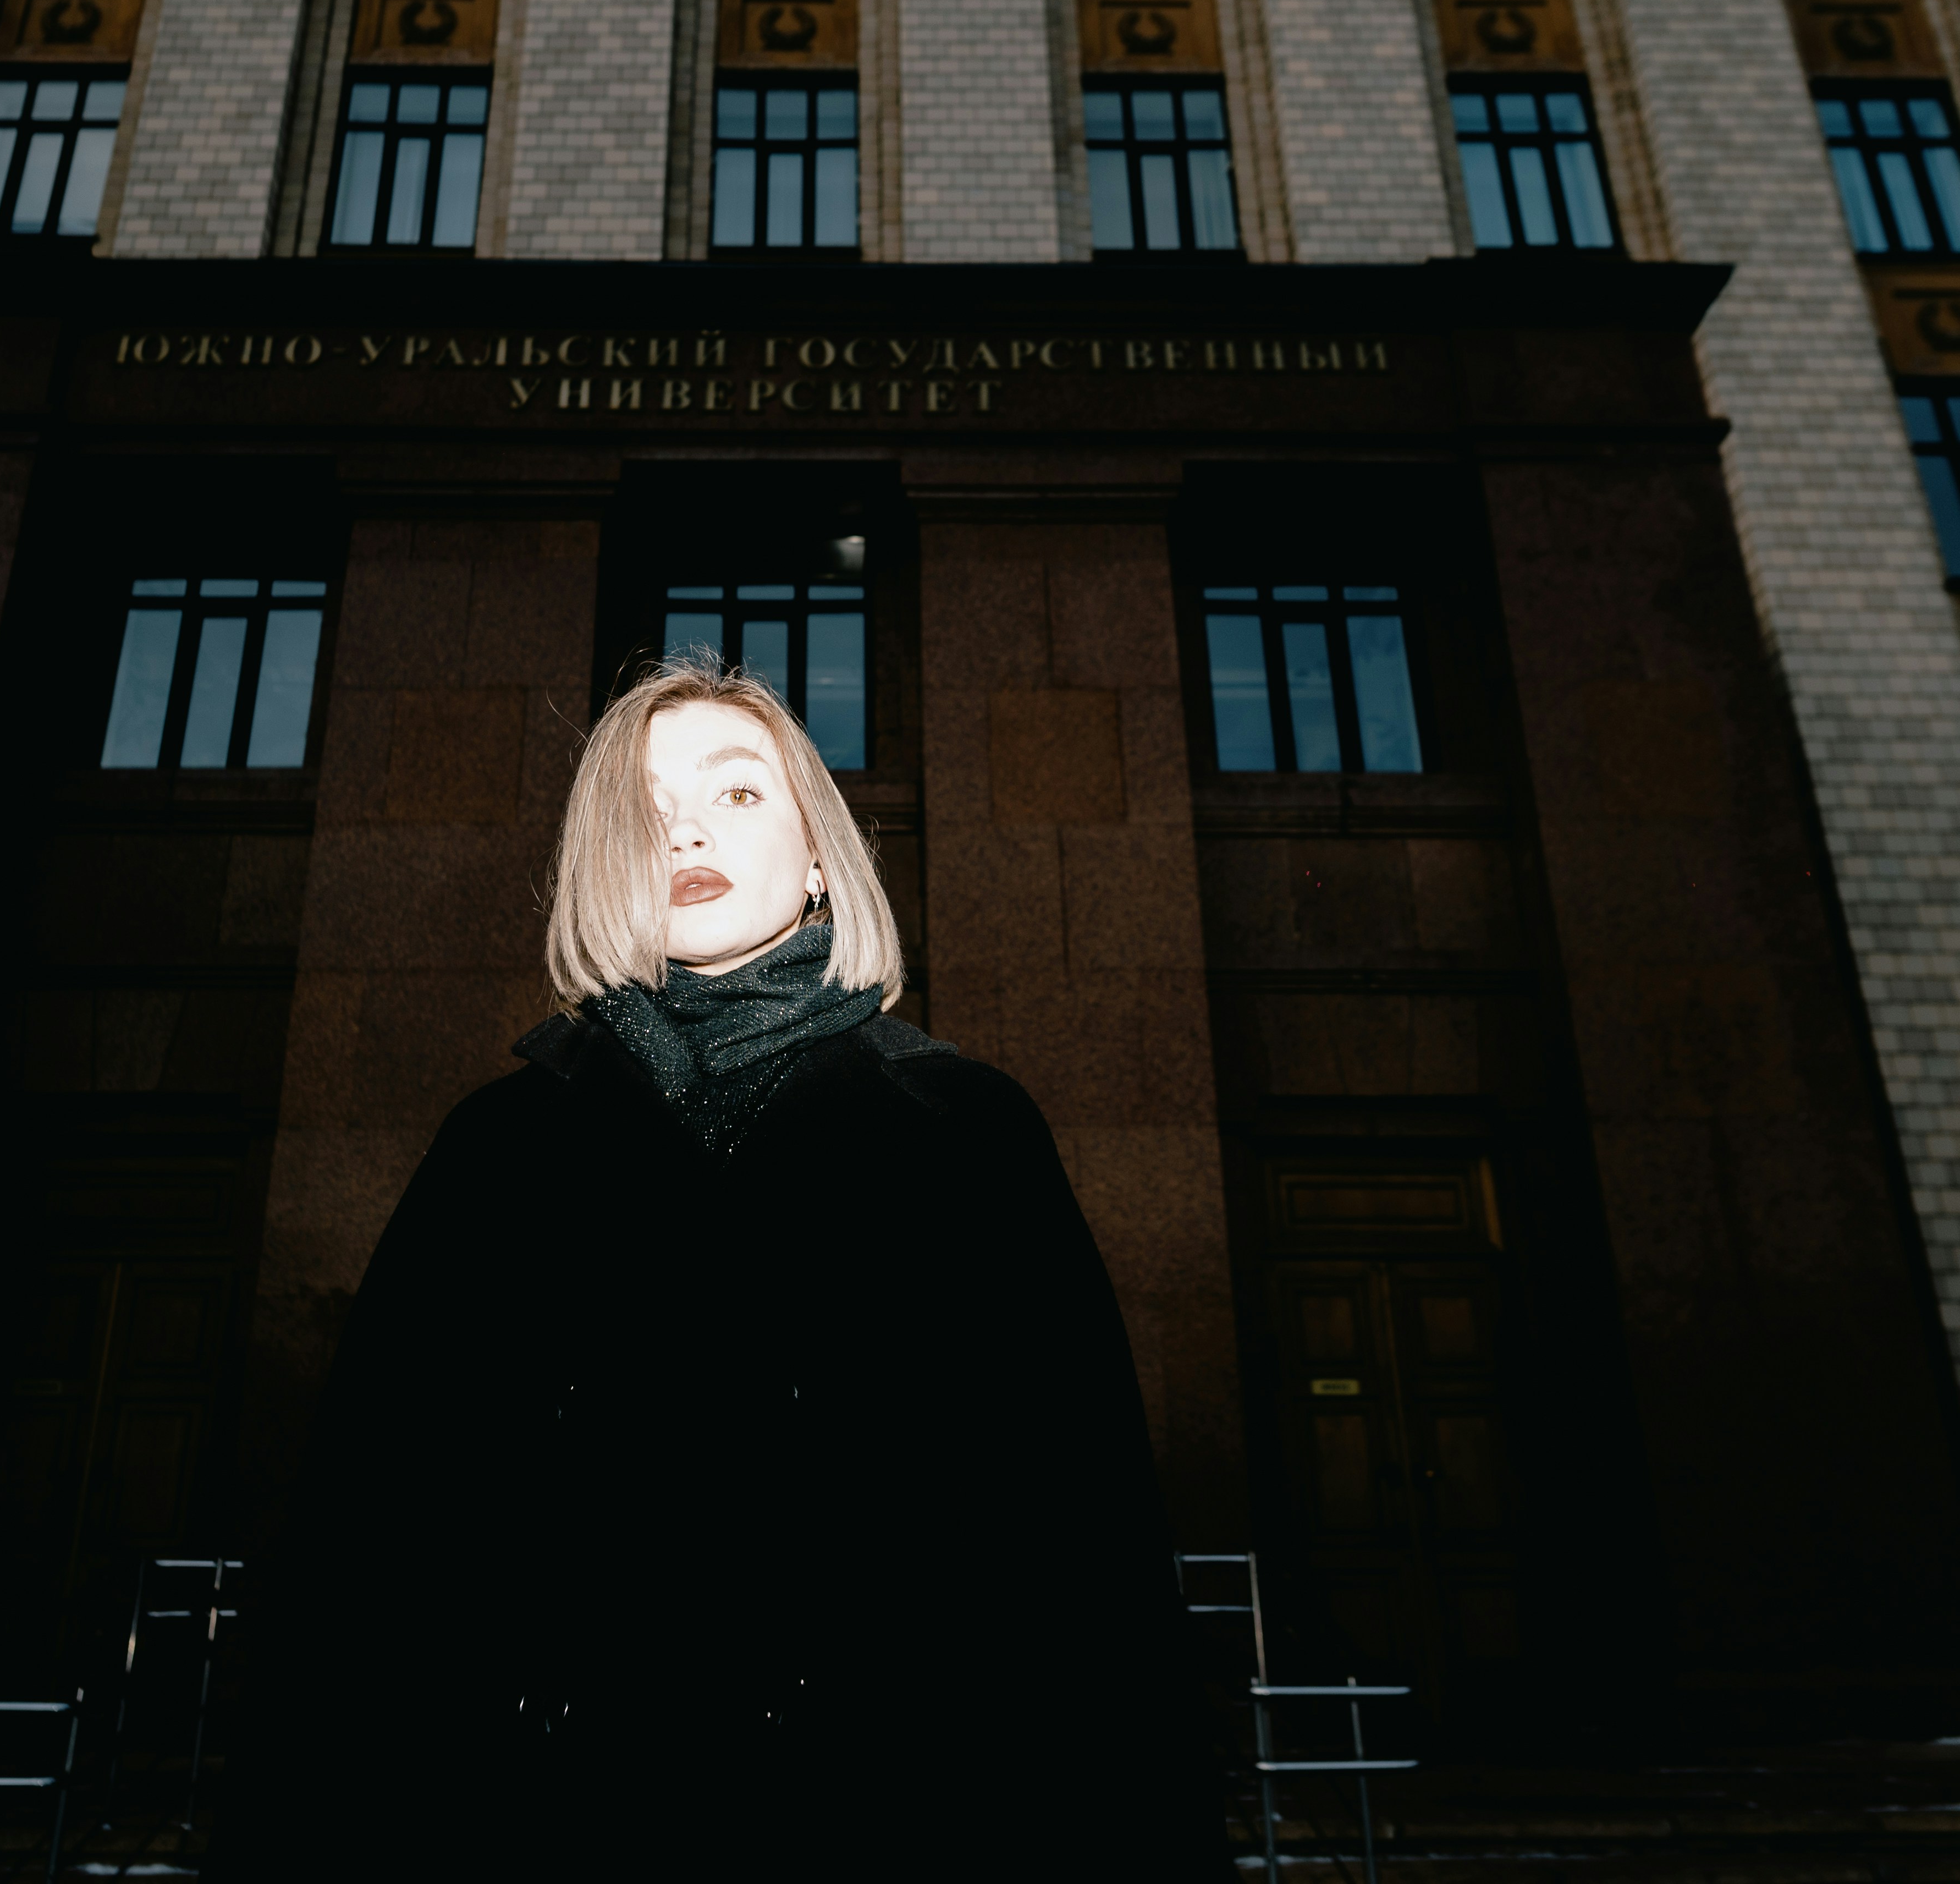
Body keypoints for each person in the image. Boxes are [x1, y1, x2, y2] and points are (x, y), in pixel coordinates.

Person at [221, 656, 1224, 1879]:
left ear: (818, 859)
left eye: (738, 791)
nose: (685, 824)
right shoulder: (497, 1148)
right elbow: (361, 1558)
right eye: (644, 808)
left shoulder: (966, 1133)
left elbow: (1088, 1557)